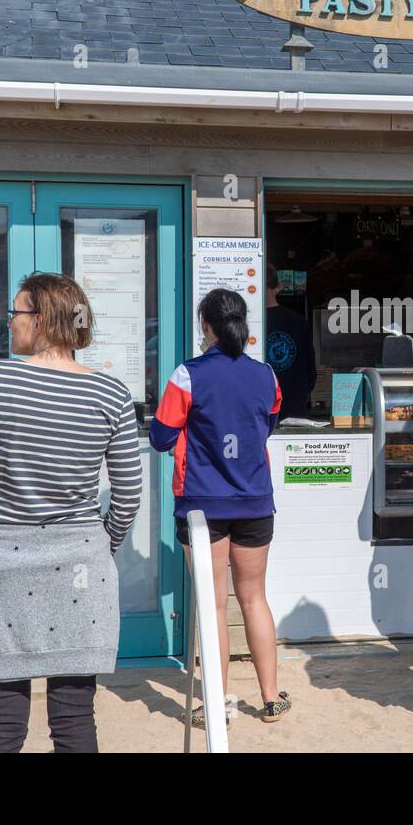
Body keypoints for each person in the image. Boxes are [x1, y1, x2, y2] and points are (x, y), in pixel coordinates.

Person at [0, 272, 143, 753]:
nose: (10, 323)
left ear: (44, 319)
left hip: (3, 560)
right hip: (81, 570)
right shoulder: (112, 393)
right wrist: (94, 545)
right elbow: (129, 495)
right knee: (75, 721)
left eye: (17, 312)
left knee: (1, 724)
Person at [149, 287, 291, 726]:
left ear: (205, 326)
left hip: (201, 505)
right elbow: (266, 424)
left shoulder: (187, 375)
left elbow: (160, 437)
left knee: (212, 605)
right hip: (253, 500)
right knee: (254, 597)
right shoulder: (266, 374)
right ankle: (270, 698)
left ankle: (216, 704)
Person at [264, 263, 316, 419]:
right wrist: (303, 392)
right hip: (294, 405)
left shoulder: (250, 323)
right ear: (278, 288)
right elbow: (310, 367)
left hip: (261, 405)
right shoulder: (298, 321)